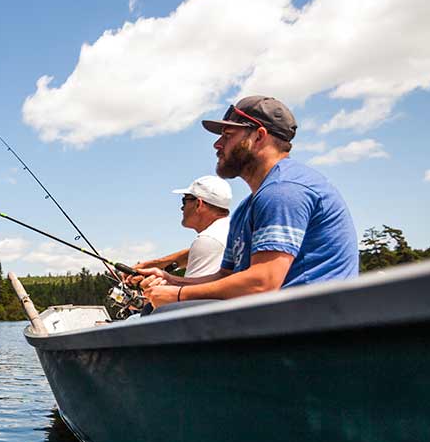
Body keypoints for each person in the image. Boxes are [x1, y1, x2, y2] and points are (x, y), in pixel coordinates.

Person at [140, 95, 357, 307]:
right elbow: (225, 276)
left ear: (259, 136)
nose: (217, 144)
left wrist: (178, 295)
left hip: (314, 331)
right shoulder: (247, 207)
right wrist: (171, 280)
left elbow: (262, 283)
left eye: (228, 135)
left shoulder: (284, 190)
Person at [134, 175, 234, 279]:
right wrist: (145, 266)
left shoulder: (209, 239)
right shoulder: (227, 229)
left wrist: (153, 286)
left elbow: (191, 293)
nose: (182, 208)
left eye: (184, 201)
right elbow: (190, 254)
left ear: (198, 204)